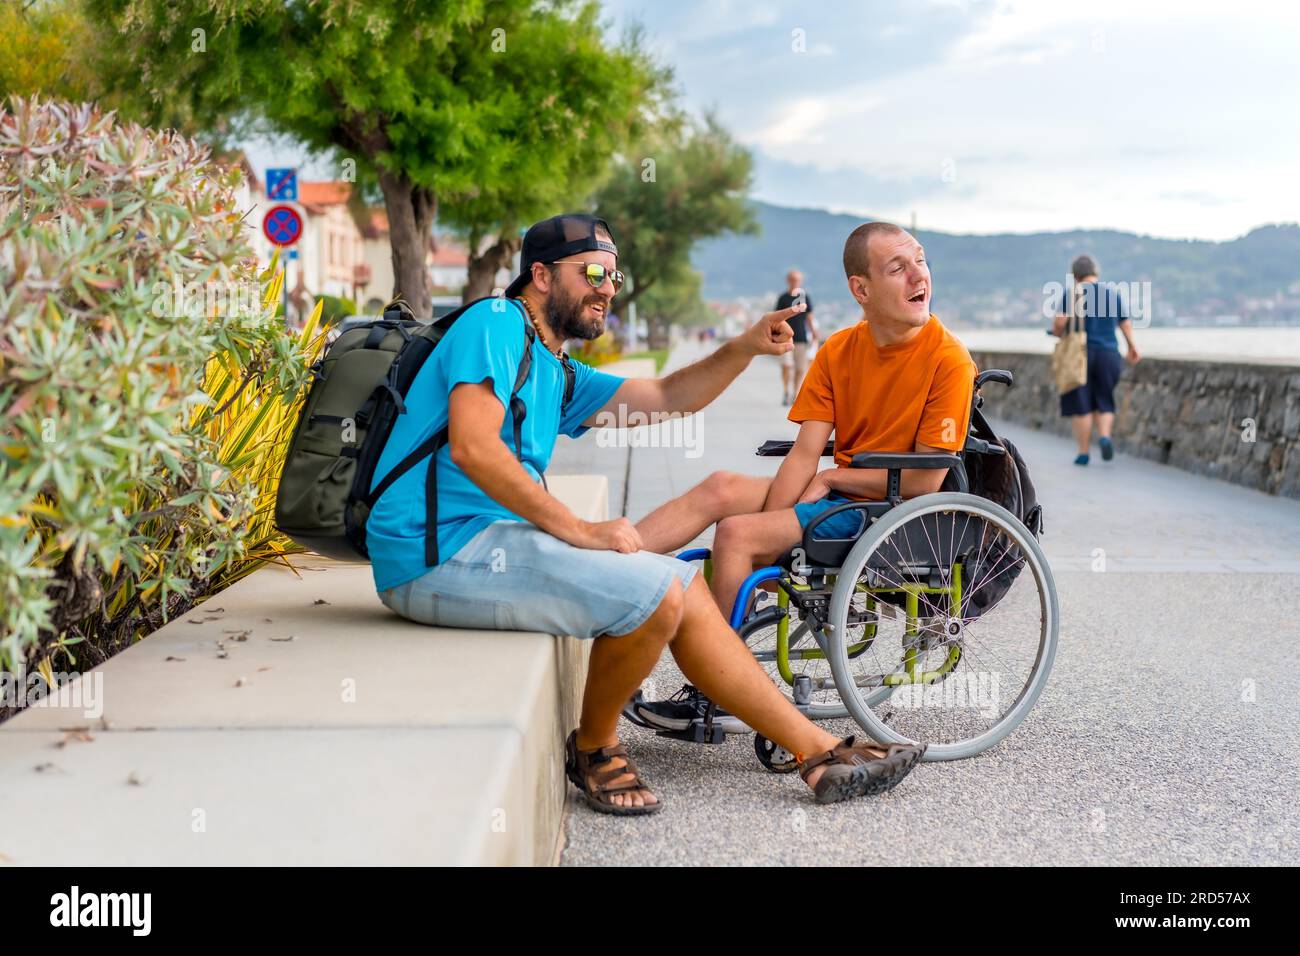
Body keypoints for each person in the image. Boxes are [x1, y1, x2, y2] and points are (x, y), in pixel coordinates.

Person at [367, 214, 925, 816]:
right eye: (593, 273)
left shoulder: (551, 363)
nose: (608, 287)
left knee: (683, 582)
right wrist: (579, 529)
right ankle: (595, 747)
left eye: (614, 274)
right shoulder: (496, 324)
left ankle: (815, 754)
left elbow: (662, 398)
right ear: (540, 275)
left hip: (484, 543)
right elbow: (474, 447)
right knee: (659, 588)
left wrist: (741, 349)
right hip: (434, 554)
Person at [632, 222, 977, 725]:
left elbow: (926, 482)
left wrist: (835, 481)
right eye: (897, 268)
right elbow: (805, 452)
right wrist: (779, 522)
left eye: (920, 262)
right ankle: (612, 559)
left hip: (891, 508)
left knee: (734, 535)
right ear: (861, 289)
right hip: (844, 495)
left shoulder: (948, 360)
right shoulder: (838, 350)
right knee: (720, 488)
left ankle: (717, 690)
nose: (917, 277)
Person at [1053, 254, 1141, 465]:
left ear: (1076, 275)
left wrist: (1059, 332)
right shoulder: (1112, 294)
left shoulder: (1072, 293)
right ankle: (1104, 436)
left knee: (1081, 403)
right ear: (1095, 272)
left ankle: (1083, 452)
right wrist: (1132, 347)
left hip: (1080, 355)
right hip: (1109, 353)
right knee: (1105, 399)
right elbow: (1125, 324)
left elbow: (1059, 324)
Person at [775, 269, 819, 404]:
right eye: (793, 279)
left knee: (800, 369)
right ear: (788, 281)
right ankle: (786, 390)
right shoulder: (783, 298)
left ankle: (795, 393)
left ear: (801, 281)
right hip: (785, 339)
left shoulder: (805, 298)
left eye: (798, 280)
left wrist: (814, 332)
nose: (795, 282)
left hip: (801, 338)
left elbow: (809, 317)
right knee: (786, 366)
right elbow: (777, 318)